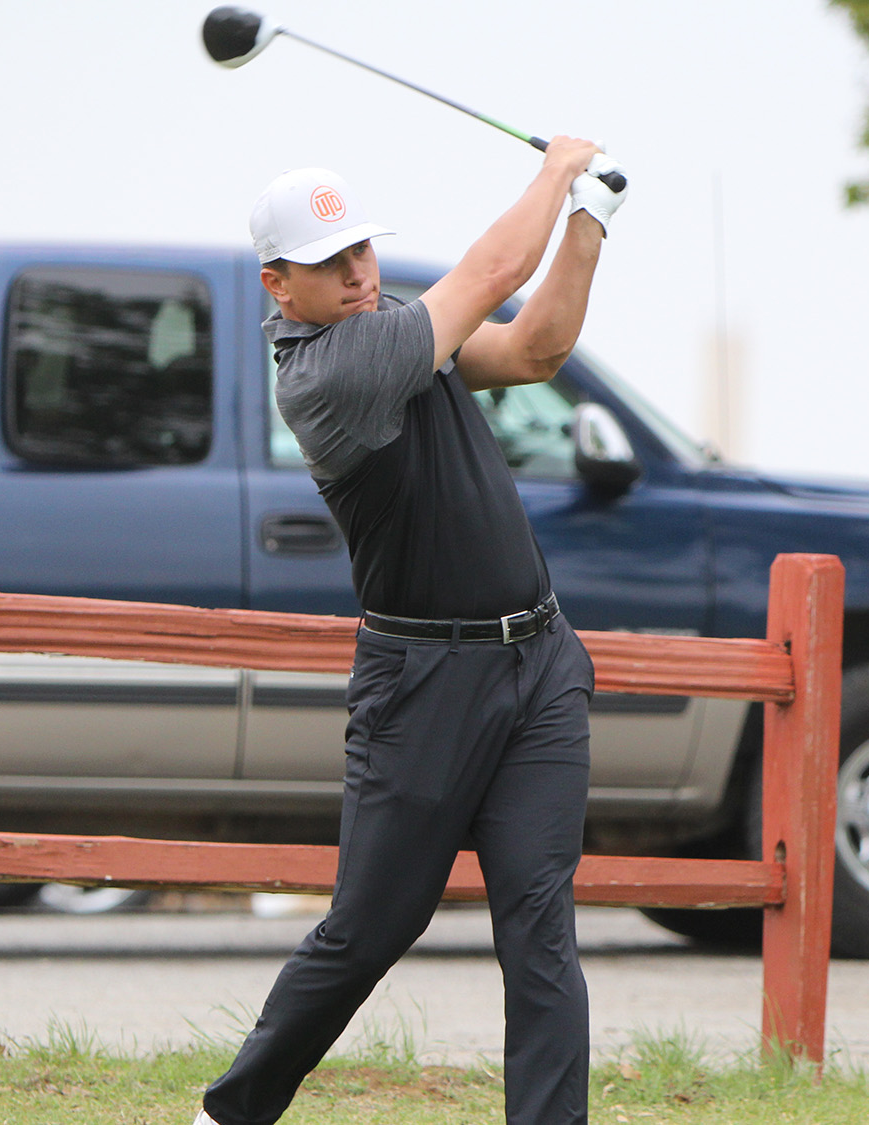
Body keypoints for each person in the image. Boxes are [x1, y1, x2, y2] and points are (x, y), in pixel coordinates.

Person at [195, 140, 627, 1125]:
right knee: (369, 928)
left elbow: (532, 350)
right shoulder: (330, 371)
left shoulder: (391, 324)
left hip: (538, 665)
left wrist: (590, 221)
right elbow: (488, 274)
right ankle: (230, 1112)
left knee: (538, 925)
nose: (357, 273)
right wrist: (556, 170)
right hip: (420, 684)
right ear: (279, 284)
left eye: (361, 251)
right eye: (329, 262)